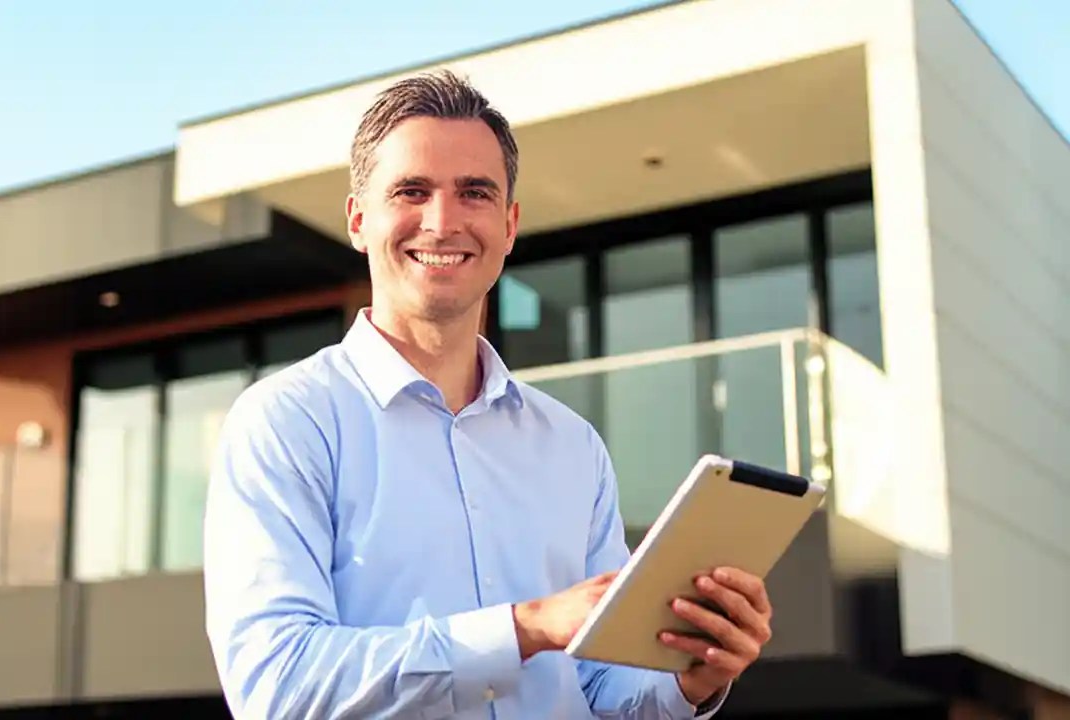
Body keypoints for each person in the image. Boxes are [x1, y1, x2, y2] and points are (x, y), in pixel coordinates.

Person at [204, 69, 774, 719]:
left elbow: (604, 691)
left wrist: (689, 679)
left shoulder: (572, 447)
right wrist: (523, 628)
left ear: (509, 225)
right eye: (411, 191)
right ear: (359, 221)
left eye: (474, 193)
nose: (443, 222)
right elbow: (276, 686)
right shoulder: (287, 422)